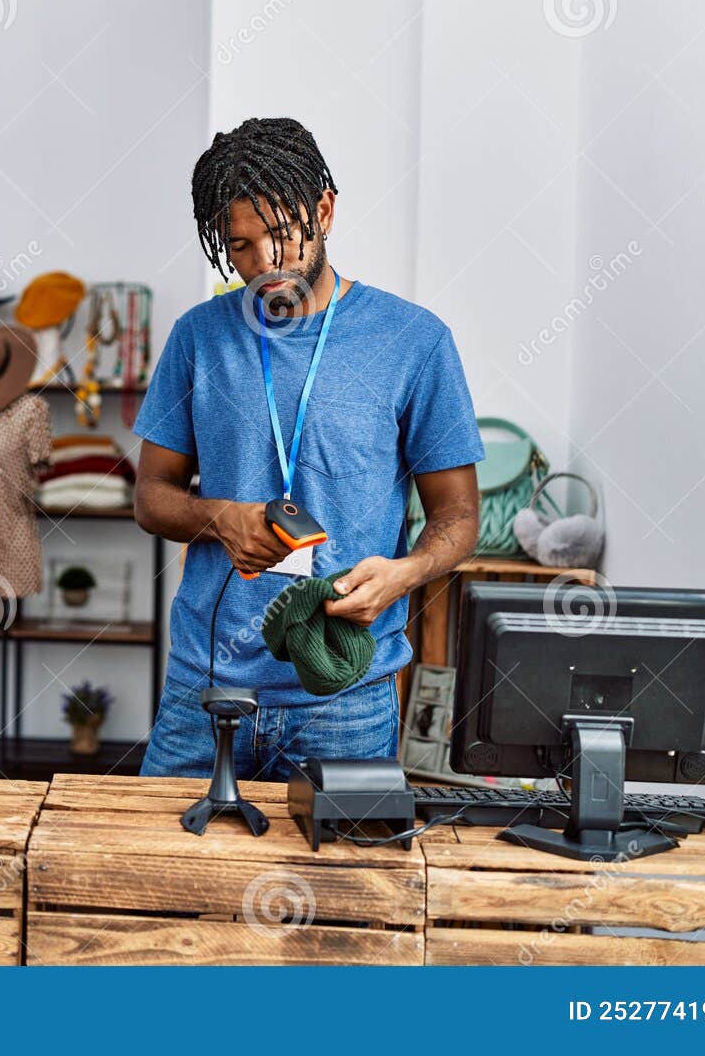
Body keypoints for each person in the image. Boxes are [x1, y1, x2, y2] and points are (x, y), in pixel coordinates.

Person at [132, 117, 485, 782]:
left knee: (339, 886)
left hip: (344, 697)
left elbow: (458, 516)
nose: (264, 263)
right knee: (160, 882)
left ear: (324, 210)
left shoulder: (414, 342)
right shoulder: (198, 338)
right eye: (239, 246)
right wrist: (221, 518)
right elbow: (151, 497)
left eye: (281, 234)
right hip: (206, 693)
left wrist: (405, 574)